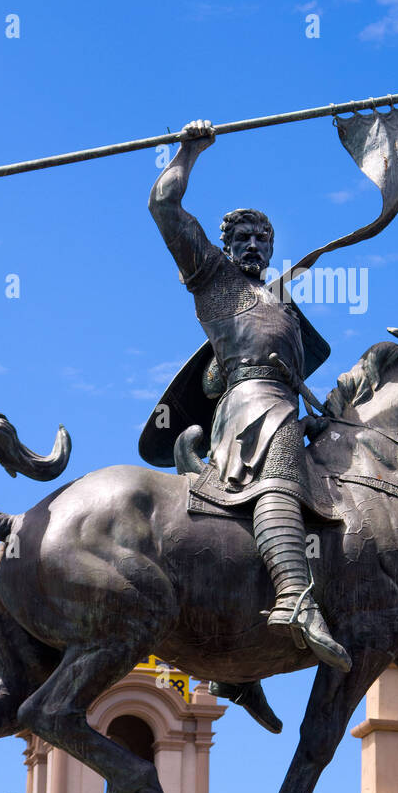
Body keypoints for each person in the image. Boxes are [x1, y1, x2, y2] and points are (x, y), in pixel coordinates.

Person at [148, 119, 350, 673]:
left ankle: (241, 666)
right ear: (225, 245)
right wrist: (189, 151)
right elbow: (163, 206)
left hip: (284, 399)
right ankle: (294, 598)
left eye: (263, 239)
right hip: (252, 404)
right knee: (280, 473)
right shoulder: (213, 277)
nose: (255, 245)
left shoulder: (282, 305)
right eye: (243, 238)